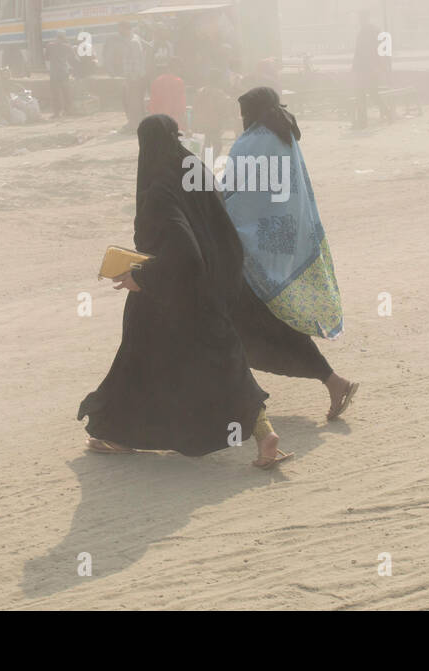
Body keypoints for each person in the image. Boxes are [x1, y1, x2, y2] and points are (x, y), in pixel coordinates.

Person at [78, 114, 291, 467]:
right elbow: (217, 231)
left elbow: (182, 250)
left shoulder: (159, 190)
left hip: (169, 297)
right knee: (223, 369)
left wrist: (141, 277)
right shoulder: (193, 170)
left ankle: (115, 433)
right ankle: (265, 435)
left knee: (138, 359)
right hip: (208, 290)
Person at [223, 87, 359, 421]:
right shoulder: (283, 135)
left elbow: (236, 194)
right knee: (272, 319)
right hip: (285, 240)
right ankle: (331, 382)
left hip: (255, 247)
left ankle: (244, 404)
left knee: (255, 324)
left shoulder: (251, 142)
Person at [352, 12, 392, 128]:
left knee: (364, 94)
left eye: (361, 19)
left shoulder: (367, 32)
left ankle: (365, 121)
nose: (360, 21)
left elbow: (359, 52)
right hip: (368, 68)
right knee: (370, 94)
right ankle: (386, 114)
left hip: (366, 68)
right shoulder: (374, 31)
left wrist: (355, 68)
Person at [45, 32, 77, 118]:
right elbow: (74, 58)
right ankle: (68, 111)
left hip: (54, 72)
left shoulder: (50, 46)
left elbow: (47, 58)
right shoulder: (67, 46)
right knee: (66, 92)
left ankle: (56, 112)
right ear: (64, 39)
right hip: (64, 72)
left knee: (55, 93)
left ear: (56, 38)